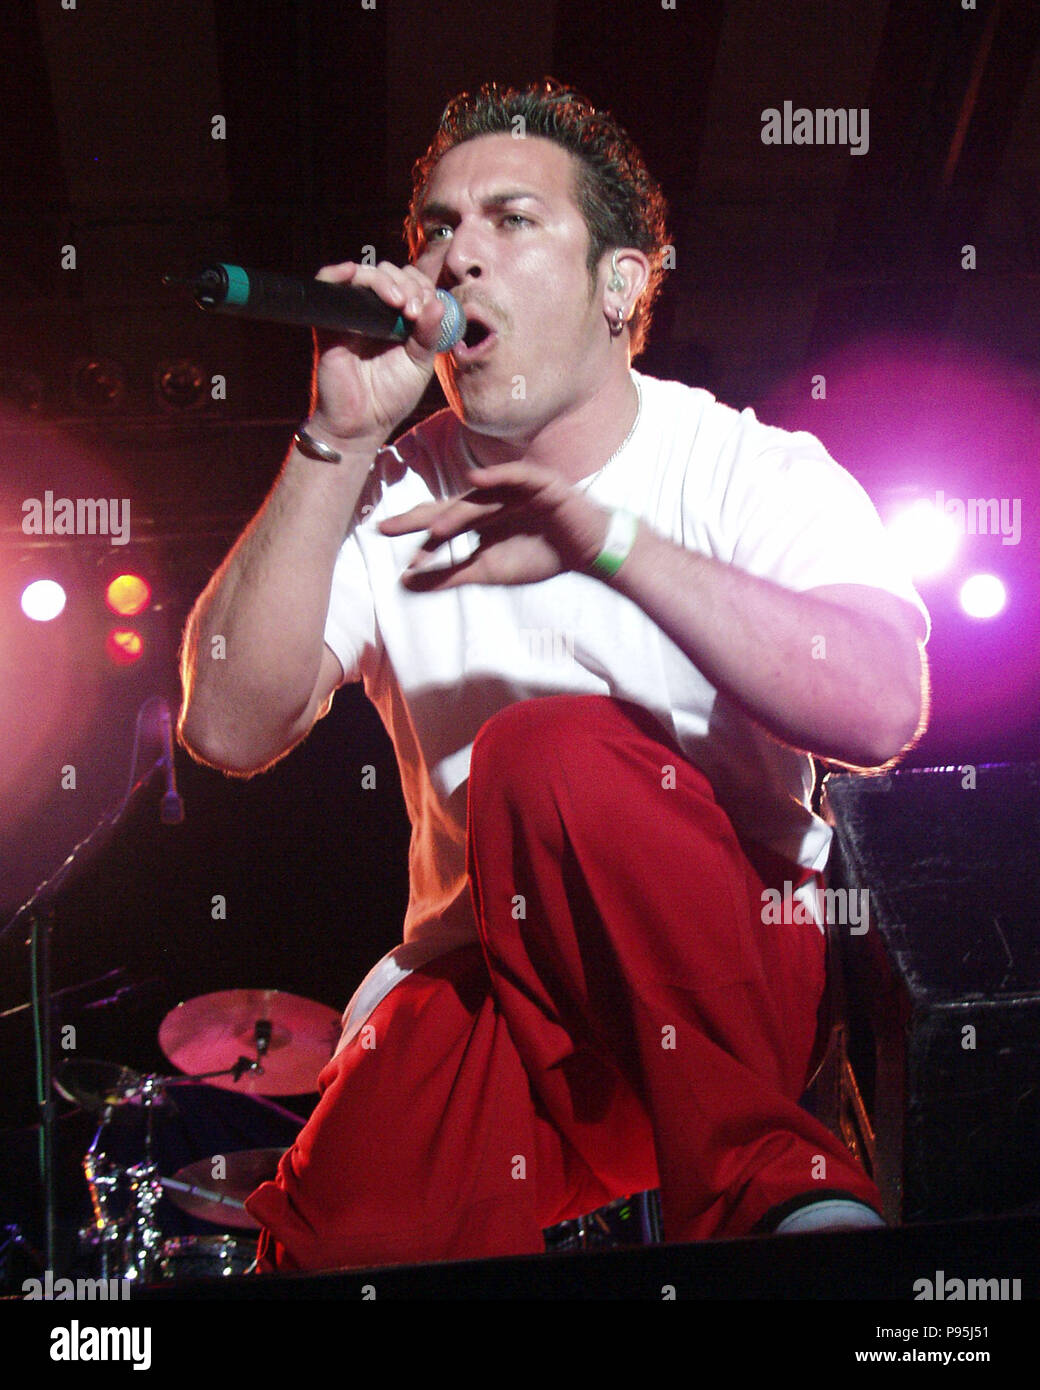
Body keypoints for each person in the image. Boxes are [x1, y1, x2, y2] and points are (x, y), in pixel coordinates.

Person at [178, 79, 929, 1271]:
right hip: (496, 997)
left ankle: (779, 1196)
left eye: (510, 220)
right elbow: (224, 726)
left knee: (548, 751)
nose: (454, 258)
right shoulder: (389, 487)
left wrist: (609, 545)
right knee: (339, 1235)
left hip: (725, 968)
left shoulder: (749, 468)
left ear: (621, 282)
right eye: (435, 228)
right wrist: (336, 443)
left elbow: (885, 706)